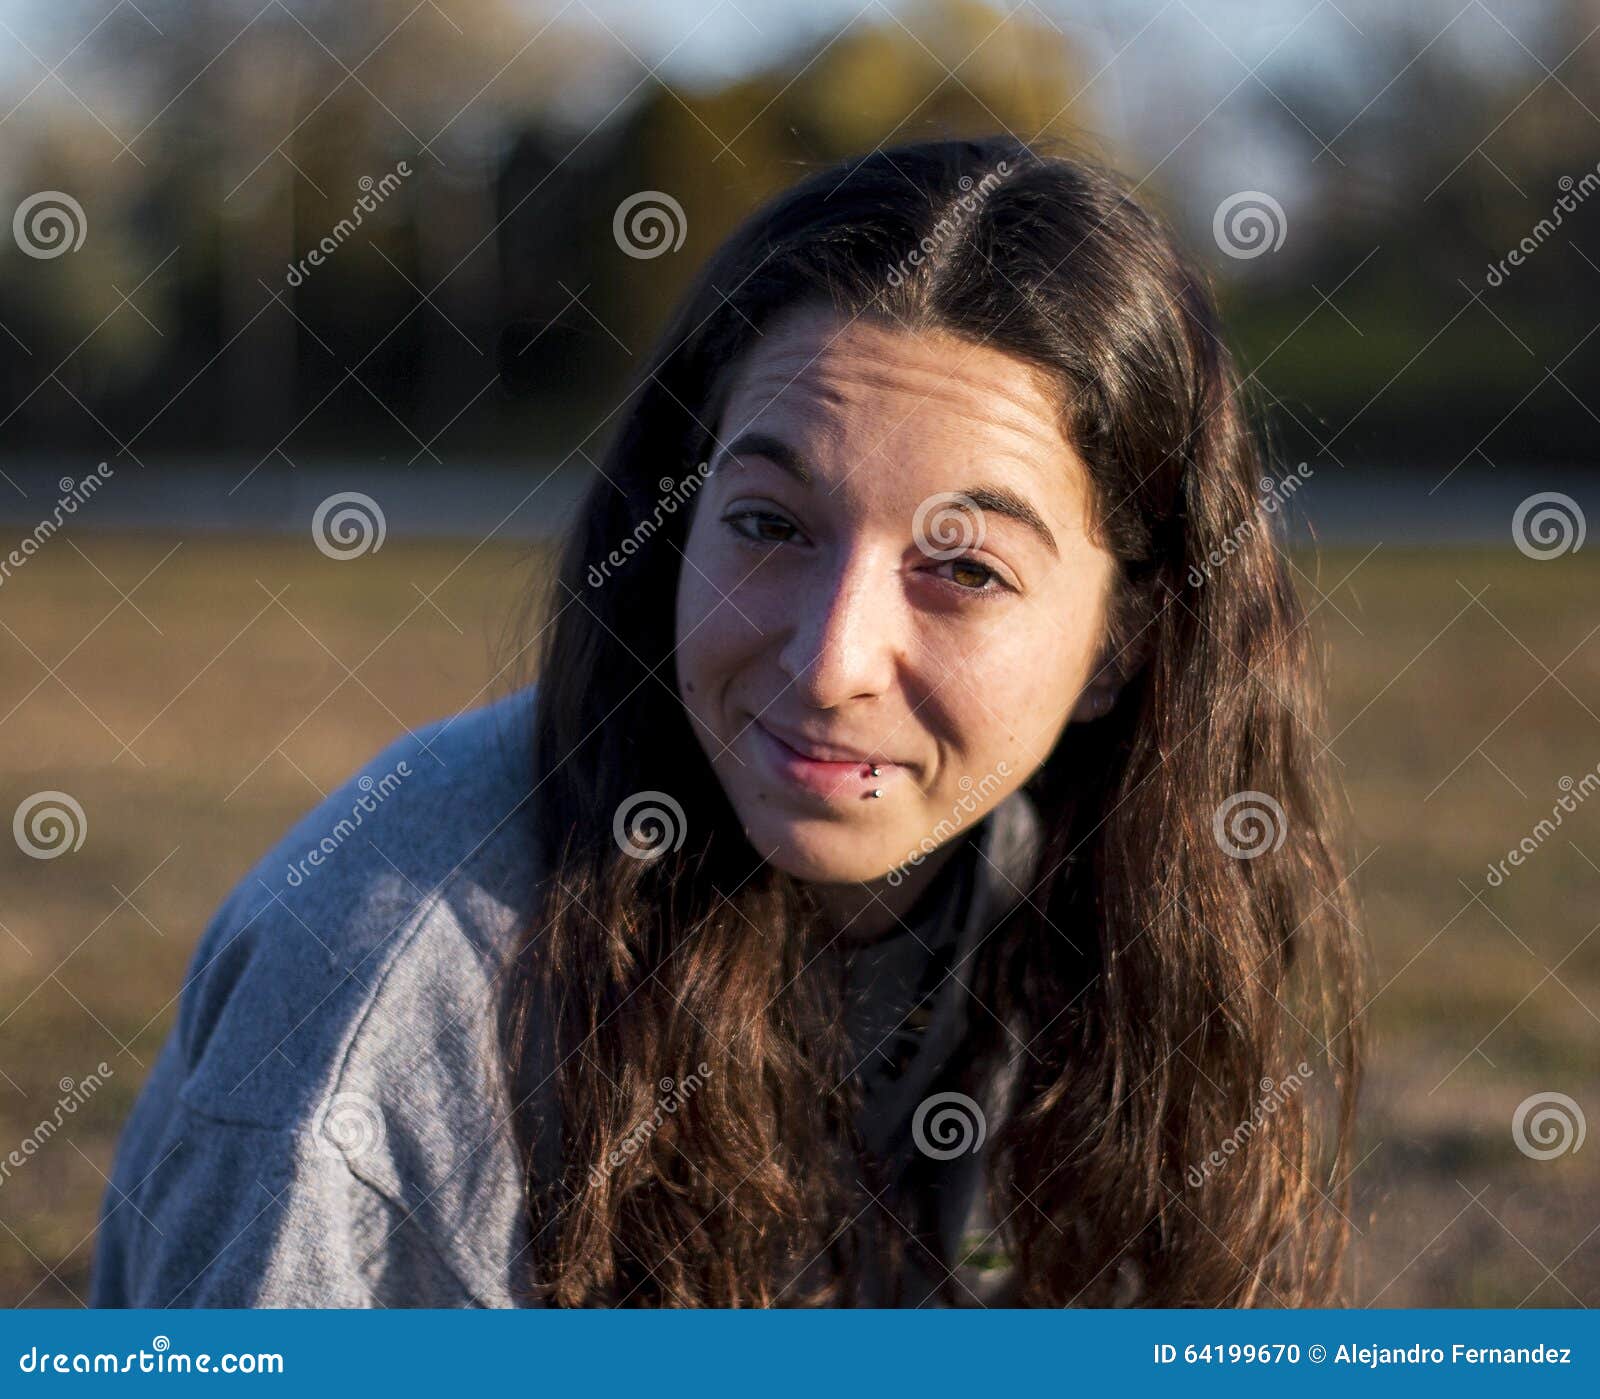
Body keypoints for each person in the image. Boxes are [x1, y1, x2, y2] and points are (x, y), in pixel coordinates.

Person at [90, 133, 1365, 1309]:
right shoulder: (389, 1022)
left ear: (1124, 640)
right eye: (769, 522)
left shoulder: (1097, 899)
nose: (828, 661)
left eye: (965, 569)